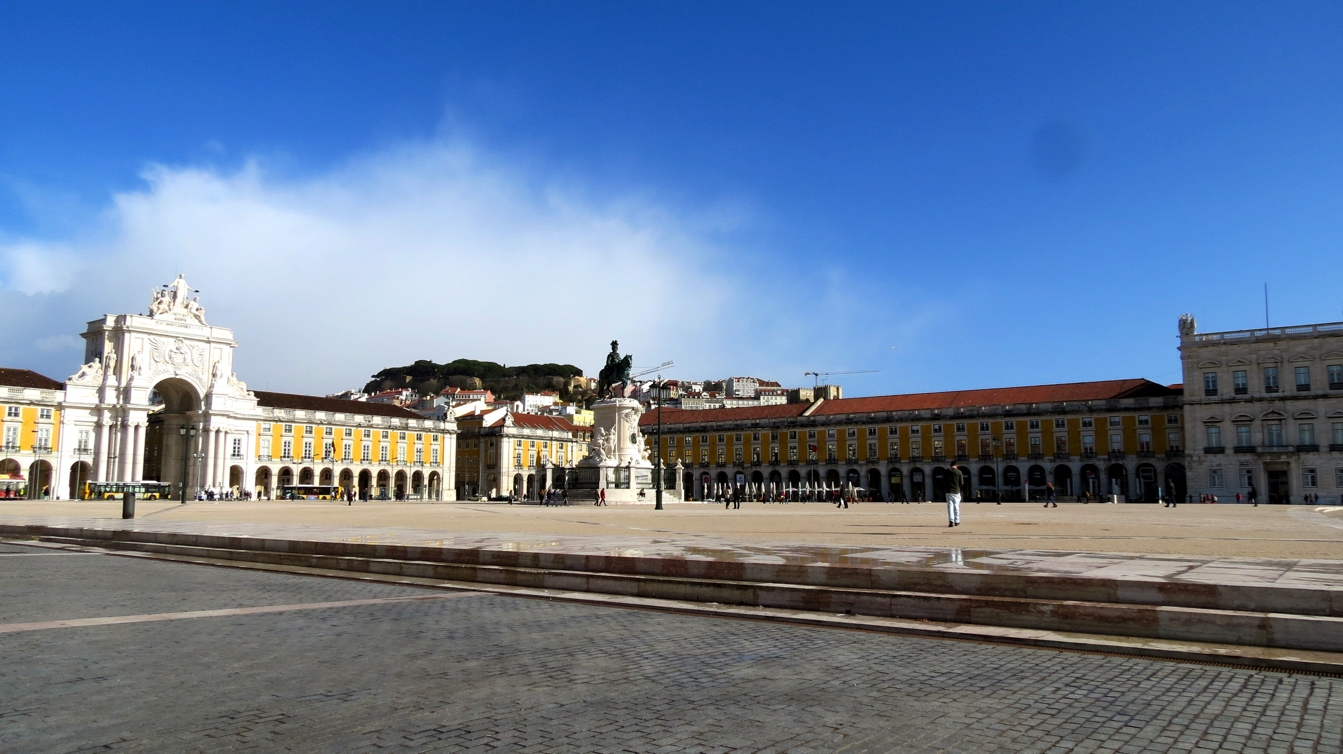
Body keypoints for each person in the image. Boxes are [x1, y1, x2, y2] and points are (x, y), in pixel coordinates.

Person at [946, 459, 963, 527]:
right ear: (956, 465)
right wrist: (957, 487)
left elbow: (943, 481)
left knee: (950, 506)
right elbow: (961, 483)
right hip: (956, 491)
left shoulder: (946, 472)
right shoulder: (959, 472)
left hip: (948, 491)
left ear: (950, 465)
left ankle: (951, 521)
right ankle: (957, 521)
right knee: (956, 506)